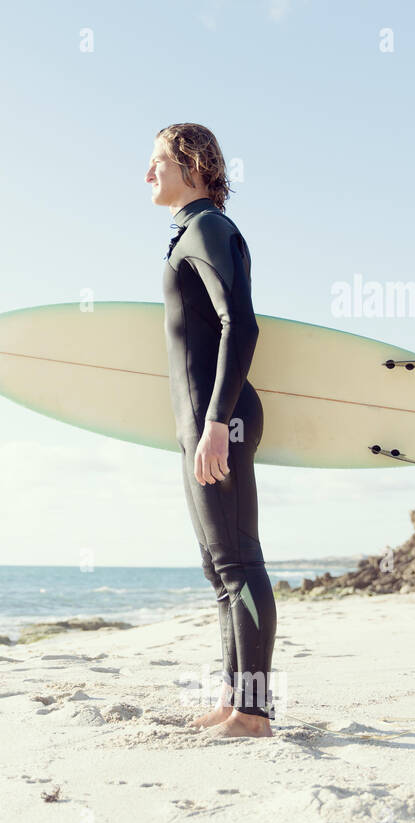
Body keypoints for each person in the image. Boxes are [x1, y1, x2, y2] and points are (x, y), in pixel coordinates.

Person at [146, 123, 277, 738]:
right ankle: (235, 701)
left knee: (240, 562)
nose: (149, 175)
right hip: (200, 425)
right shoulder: (191, 232)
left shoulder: (207, 229)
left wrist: (218, 421)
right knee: (219, 568)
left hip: (218, 421)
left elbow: (241, 326)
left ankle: (253, 714)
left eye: (158, 162)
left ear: (192, 164)